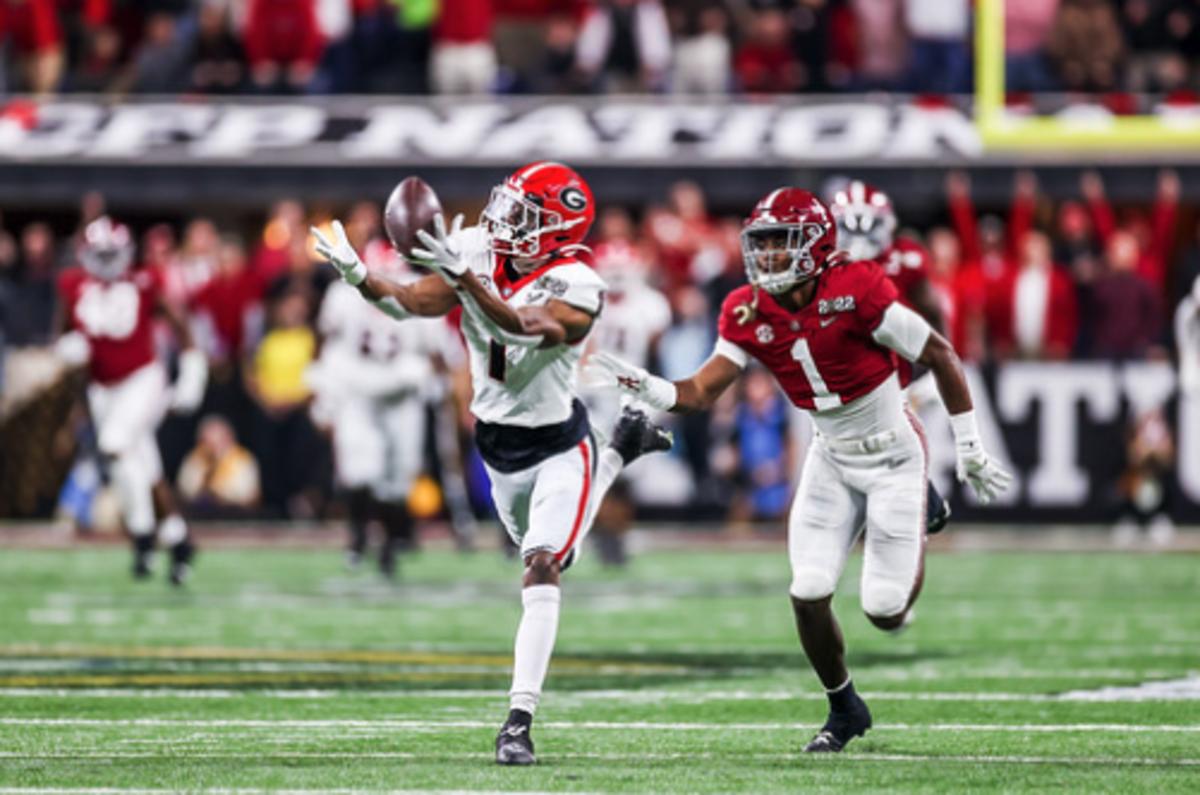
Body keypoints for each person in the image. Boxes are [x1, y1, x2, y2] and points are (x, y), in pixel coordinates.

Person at [584, 188, 1011, 753]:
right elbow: (701, 390)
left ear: (815, 245)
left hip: (893, 454)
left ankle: (922, 506)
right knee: (807, 590)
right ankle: (844, 706)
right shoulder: (747, 307)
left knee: (885, 611)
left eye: (780, 245)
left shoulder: (857, 285)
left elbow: (937, 353)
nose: (767, 258)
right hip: (830, 456)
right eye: (760, 245)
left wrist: (971, 446)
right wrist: (646, 384)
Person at [310, 161, 672, 766]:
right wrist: (357, 275)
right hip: (497, 448)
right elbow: (410, 304)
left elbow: (528, 327)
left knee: (542, 566)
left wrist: (466, 281)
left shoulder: (580, 283)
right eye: (506, 206)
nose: (503, 221)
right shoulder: (478, 249)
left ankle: (517, 721)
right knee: (561, 553)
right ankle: (620, 454)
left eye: (525, 215)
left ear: (557, 230)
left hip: (559, 443)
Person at [54, 217, 208, 585]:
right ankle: (178, 539)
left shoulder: (143, 281)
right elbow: (63, 335)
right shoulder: (73, 286)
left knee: (115, 445)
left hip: (142, 379)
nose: (107, 261)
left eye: (112, 253)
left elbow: (181, 324)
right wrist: (66, 352)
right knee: (143, 462)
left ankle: (142, 536)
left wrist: (192, 371)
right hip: (101, 388)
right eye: (100, 253)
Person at [829, 180, 952, 533]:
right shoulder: (826, 266)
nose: (858, 236)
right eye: (850, 226)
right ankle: (912, 505)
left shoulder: (906, 259)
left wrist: (939, 364)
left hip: (897, 368)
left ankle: (917, 503)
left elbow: (934, 313)